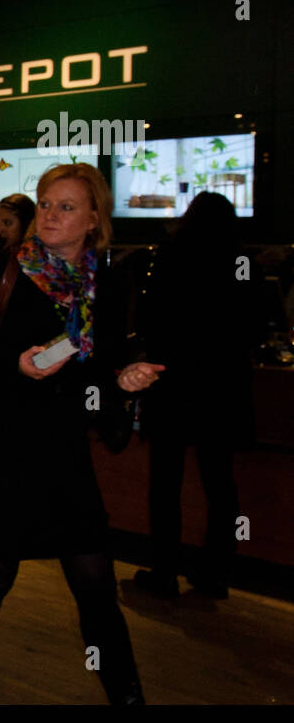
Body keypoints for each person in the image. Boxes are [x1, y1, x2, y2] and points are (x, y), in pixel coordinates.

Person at [0, 162, 161, 704]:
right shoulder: (2, 270)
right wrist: (14, 365)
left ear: (93, 219)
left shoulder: (106, 285)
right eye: (46, 204)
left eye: (65, 207)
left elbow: (106, 362)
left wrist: (125, 377)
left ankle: (132, 705)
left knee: (95, 582)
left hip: (64, 456)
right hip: (2, 449)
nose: (50, 215)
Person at [133, 192, 261, 598]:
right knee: (220, 482)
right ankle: (216, 572)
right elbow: (255, 324)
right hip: (222, 388)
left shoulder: (171, 255)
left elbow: (152, 318)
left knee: (166, 480)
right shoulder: (241, 262)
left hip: (173, 383)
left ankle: (164, 569)